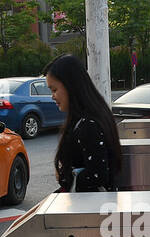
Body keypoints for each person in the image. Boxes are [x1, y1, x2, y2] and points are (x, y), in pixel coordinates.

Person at [45, 53, 122, 192]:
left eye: (54, 89)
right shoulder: (91, 117)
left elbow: (97, 175)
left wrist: (65, 176)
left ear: (71, 86)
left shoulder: (89, 124)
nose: (52, 96)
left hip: (91, 208)